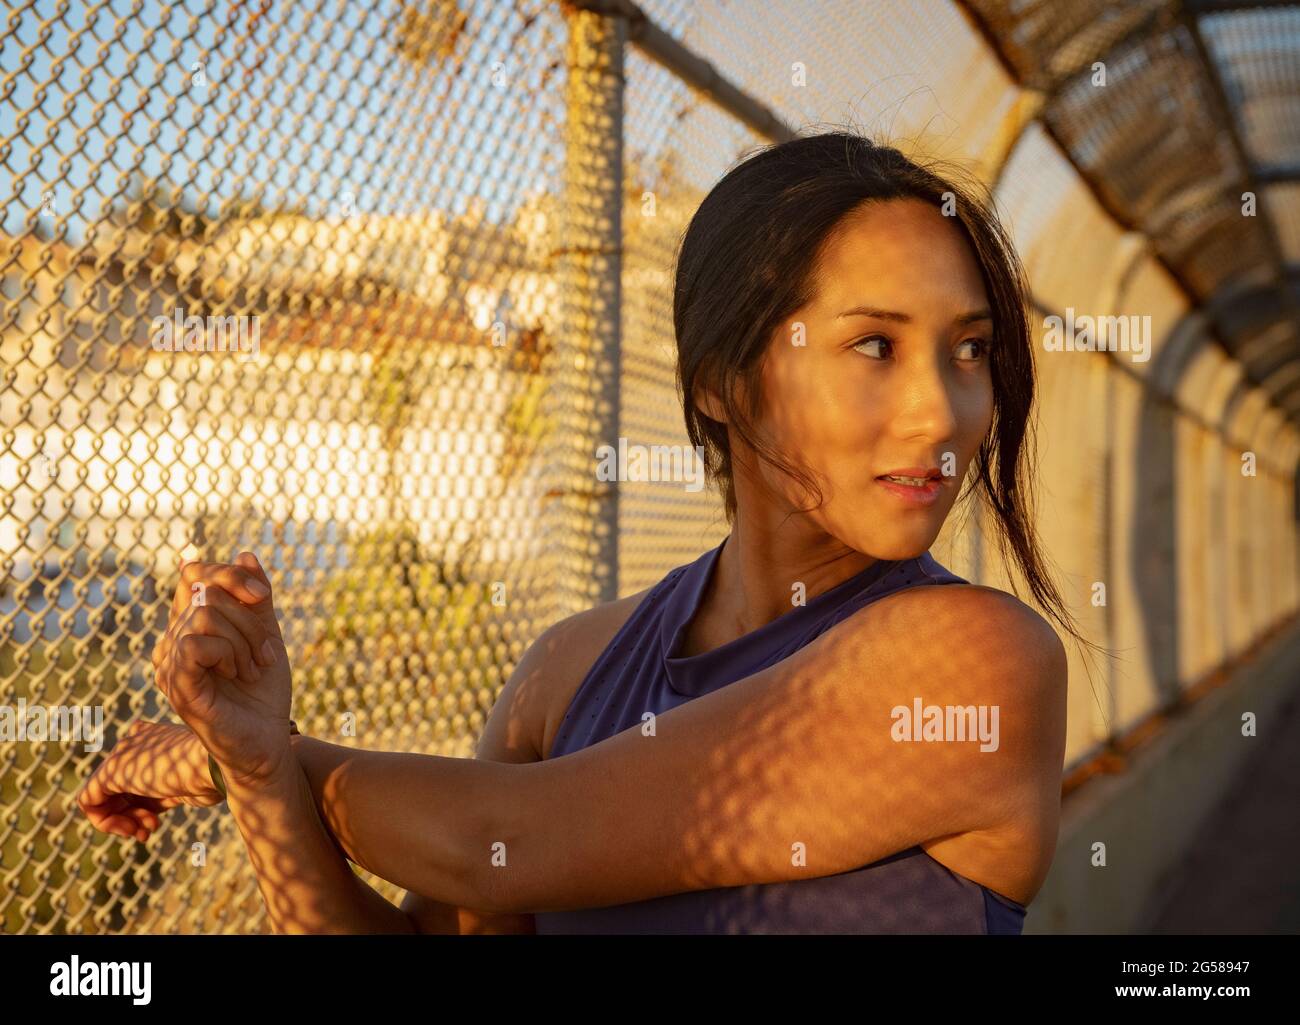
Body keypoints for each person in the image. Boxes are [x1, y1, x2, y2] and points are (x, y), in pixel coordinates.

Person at [79, 131, 1088, 934]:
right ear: (723, 382)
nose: (942, 411)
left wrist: (242, 759)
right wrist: (258, 774)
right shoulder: (567, 670)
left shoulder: (977, 667)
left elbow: (498, 837)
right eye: (874, 343)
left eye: (969, 351)